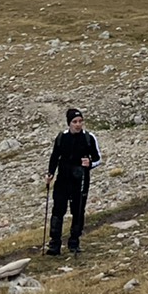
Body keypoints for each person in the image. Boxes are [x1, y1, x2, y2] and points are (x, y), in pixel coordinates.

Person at [45, 107, 102, 256]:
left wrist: (89, 163)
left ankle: (74, 243)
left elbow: (98, 158)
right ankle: (54, 245)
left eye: (80, 121)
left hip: (81, 180)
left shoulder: (89, 138)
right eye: (74, 122)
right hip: (63, 179)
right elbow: (54, 157)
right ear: (69, 123)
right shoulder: (61, 138)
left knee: (78, 211)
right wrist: (50, 173)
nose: (78, 124)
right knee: (58, 211)